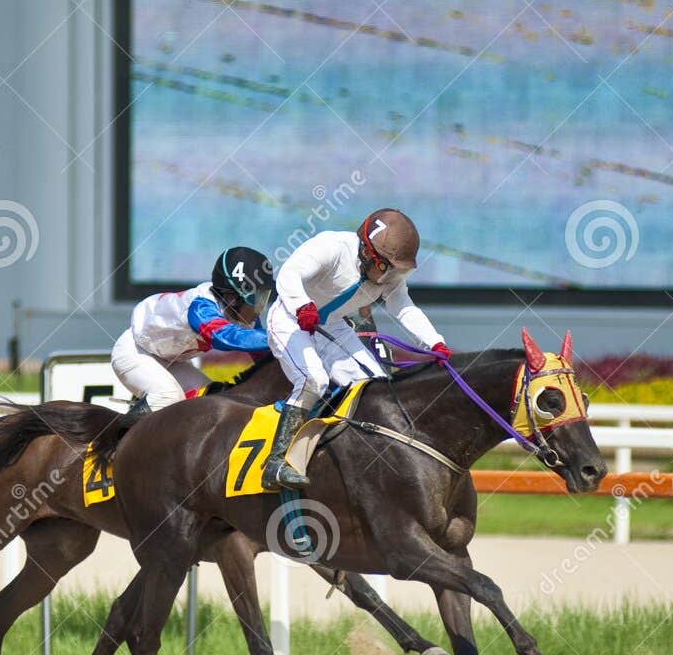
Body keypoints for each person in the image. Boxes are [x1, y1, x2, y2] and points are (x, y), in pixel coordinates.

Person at [262, 208, 449, 490]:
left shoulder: (389, 274)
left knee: (373, 386)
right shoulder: (332, 247)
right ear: (367, 252)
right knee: (314, 379)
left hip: (332, 326)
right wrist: (301, 305)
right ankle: (277, 463)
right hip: (290, 319)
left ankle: (358, 460)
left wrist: (434, 342)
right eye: (387, 267)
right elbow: (289, 273)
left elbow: (403, 307)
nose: (390, 278)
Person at [110, 246, 275, 411]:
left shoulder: (241, 314)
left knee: (212, 403)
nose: (259, 309)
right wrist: (278, 335)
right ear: (232, 298)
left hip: (174, 361)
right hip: (136, 352)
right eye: (255, 299)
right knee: (168, 396)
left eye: (263, 298)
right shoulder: (200, 307)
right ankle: (119, 435)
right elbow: (224, 336)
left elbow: (263, 356)